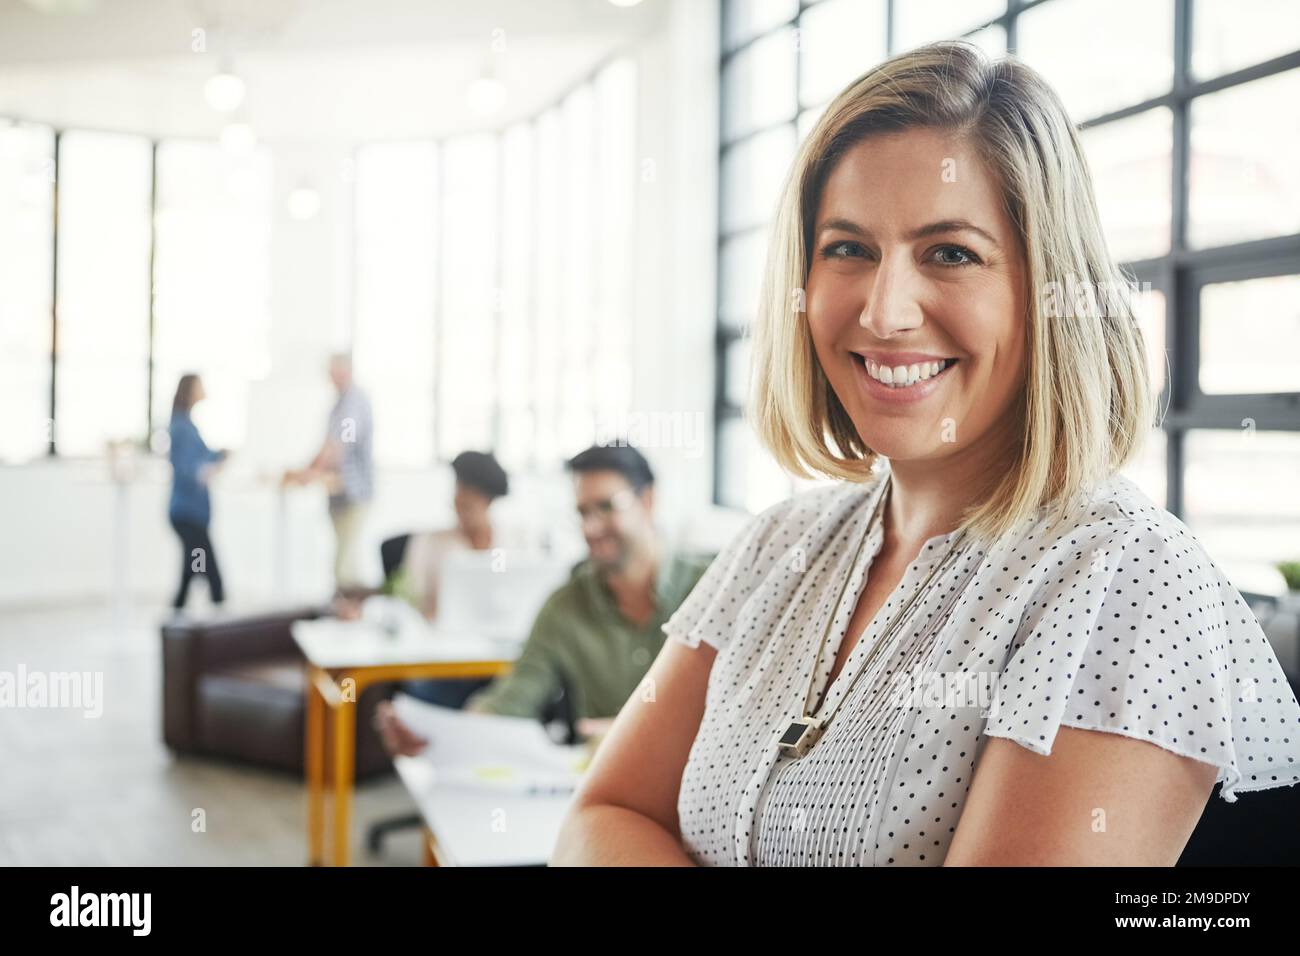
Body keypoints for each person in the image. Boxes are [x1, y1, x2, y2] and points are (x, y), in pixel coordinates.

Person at [552, 42, 1300, 867]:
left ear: (1047, 291)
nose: (884, 311)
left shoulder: (1127, 578)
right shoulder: (776, 544)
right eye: (848, 249)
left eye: (950, 253)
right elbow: (603, 814)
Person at [375, 443, 711, 747]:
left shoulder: (711, 588)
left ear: (647, 500)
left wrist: (635, 732)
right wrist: (436, 734)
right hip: (608, 792)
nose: (591, 528)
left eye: (607, 507)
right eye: (583, 512)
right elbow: (515, 698)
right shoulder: (566, 604)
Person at [284, 353, 374, 593]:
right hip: (337, 495)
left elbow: (338, 445)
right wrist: (308, 470)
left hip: (354, 492)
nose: (331, 377)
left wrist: (312, 472)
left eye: (335, 371)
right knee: (342, 558)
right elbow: (327, 444)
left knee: (345, 562)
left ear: (346, 371)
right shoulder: (339, 402)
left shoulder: (354, 401)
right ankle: (344, 606)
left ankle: (347, 609)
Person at [167, 374, 227, 610]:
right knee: (209, 570)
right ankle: (222, 623)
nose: (204, 389)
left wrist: (219, 456)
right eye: (200, 385)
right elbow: (187, 468)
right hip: (187, 512)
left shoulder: (188, 425)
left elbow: (200, 458)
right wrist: (208, 468)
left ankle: (177, 615)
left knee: (192, 567)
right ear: (189, 390)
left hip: (194, 512)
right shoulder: (180, 427)